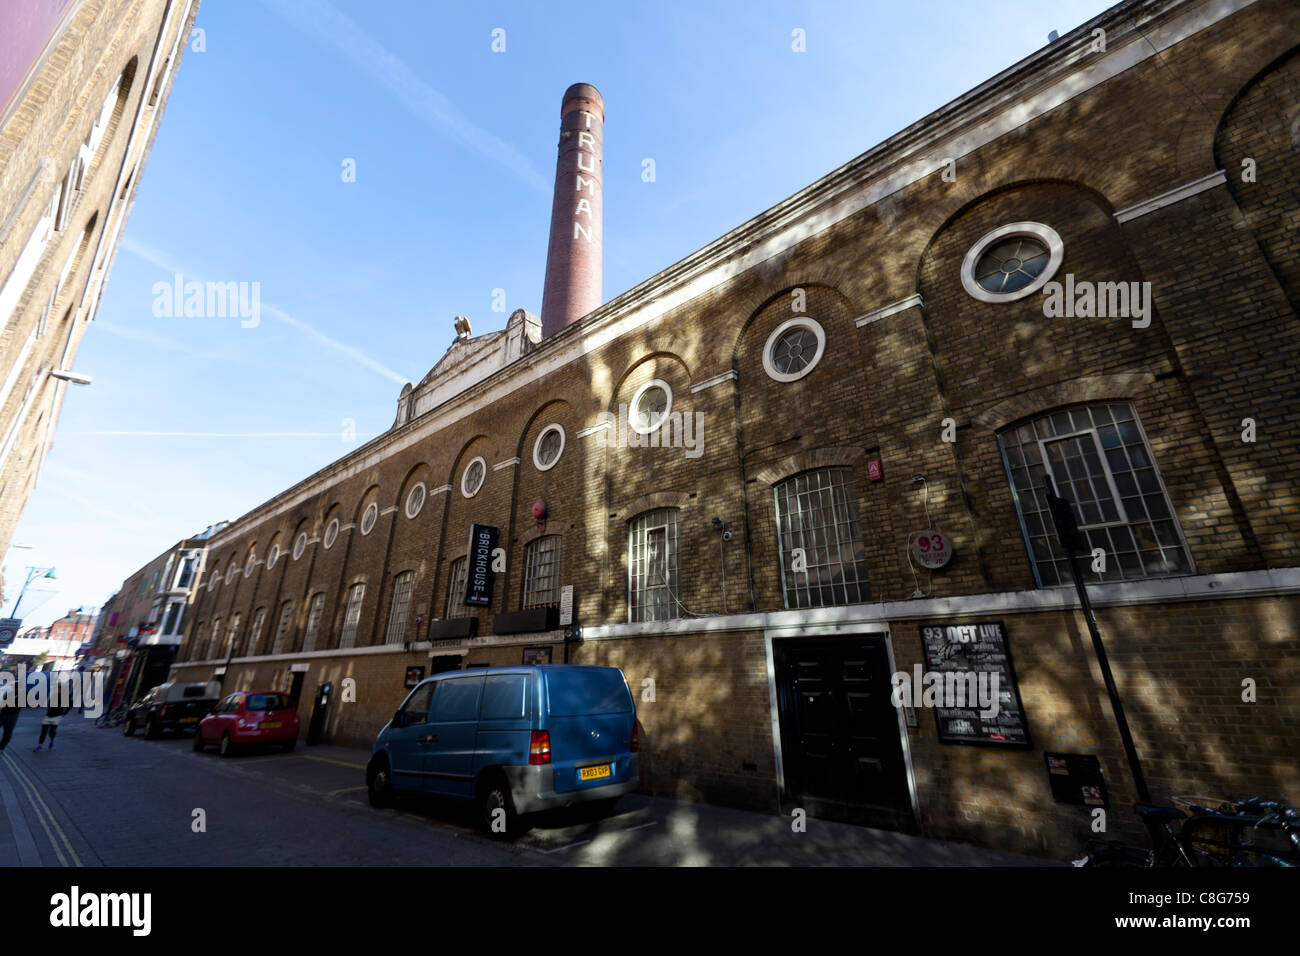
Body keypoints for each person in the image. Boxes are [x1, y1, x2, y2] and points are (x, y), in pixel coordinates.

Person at [0, 677, 19, 752]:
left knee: (7, 733)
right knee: (8, 733)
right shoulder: (8, 694)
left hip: (12, 717)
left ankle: (1, 747)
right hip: (3, 715)